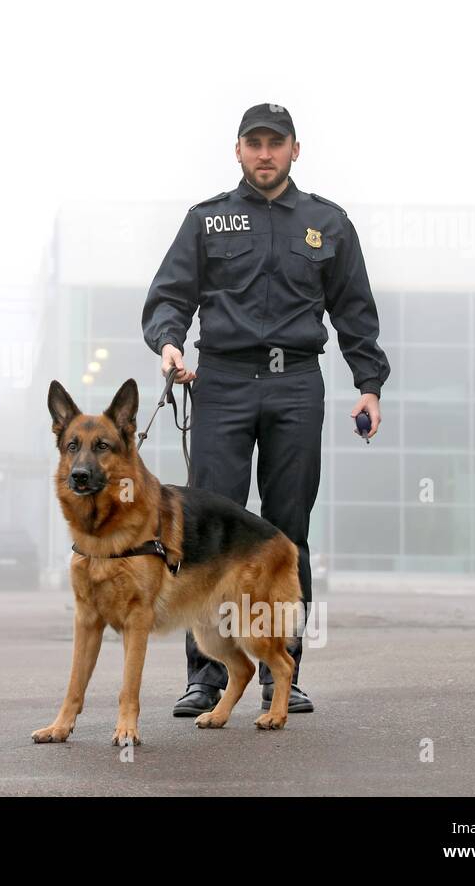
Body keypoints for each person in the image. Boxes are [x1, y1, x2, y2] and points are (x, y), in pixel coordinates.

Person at [140, 102, 391, 716]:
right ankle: (205, 675)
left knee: (287, 534)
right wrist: (169, 344)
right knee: (205, 532)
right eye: (253, 143)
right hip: (222, 380)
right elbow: (169, 296)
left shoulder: (328, 223)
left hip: (296, 386)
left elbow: (354, 310)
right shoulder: (207, 221)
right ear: (238, 150)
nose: (264, 153)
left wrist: (369, 384)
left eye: (275, 143)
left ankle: (284, 674)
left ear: (294, 150)